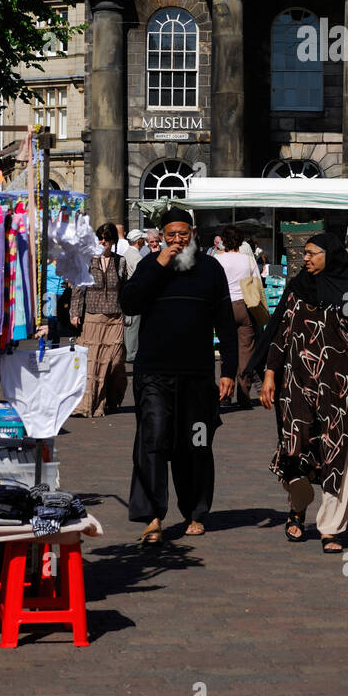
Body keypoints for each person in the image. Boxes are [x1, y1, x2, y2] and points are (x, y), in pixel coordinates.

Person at [120, 209, 237, 544]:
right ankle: (152, 515)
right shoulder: (148, 266)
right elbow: (129, 303)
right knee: (152, 442)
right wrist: (158, 264)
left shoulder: (211, 269)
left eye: (182, 234)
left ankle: (196, 512)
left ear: (193, 233)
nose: (177, 241)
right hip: (154, 374)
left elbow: (225, 323)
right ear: (161, 235)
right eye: (170, 235)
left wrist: (228, 369)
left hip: (197, 377)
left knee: (196, 444)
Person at [258, 232, 348, 552]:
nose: (306, 258)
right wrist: (270, 373)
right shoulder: (298, 288)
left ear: (330, 255)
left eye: (313, 253)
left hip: (340, 389)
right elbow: (282, 334)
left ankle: (329, 528)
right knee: (294, 451)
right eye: (305, 254)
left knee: (337, 456)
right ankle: (298, 505)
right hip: (295, 386)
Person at [70, 223, 129, 418]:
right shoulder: (87, 260)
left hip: (115, 317)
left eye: (107, 238)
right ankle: (90, 405)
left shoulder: (120, 262)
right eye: (100, 238)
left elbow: (126, 290)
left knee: (114, 362)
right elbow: (78, 288)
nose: (103, 242)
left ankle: (110, 399)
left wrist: (129, 312)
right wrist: (75, 312)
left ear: (113, 241)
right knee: (92, 363)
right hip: (93, 316)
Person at [216, 227, 261, 409]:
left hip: (224, 305)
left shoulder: (217, 259)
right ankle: (244, 395)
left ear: (224, 241)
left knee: (226, 351)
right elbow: (257, 284)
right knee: (246, 351)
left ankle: (225, 394)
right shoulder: (249, 260)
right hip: (244, 305)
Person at [122, 229, 148, 364]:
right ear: (139, 241)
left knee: (129, 324)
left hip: (129, 293)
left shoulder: (127, 253)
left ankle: (129, 351)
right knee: (133, 325)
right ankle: (131, 353)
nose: (144, 241)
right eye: (142, 239)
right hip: (135, 294)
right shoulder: (136, 257)